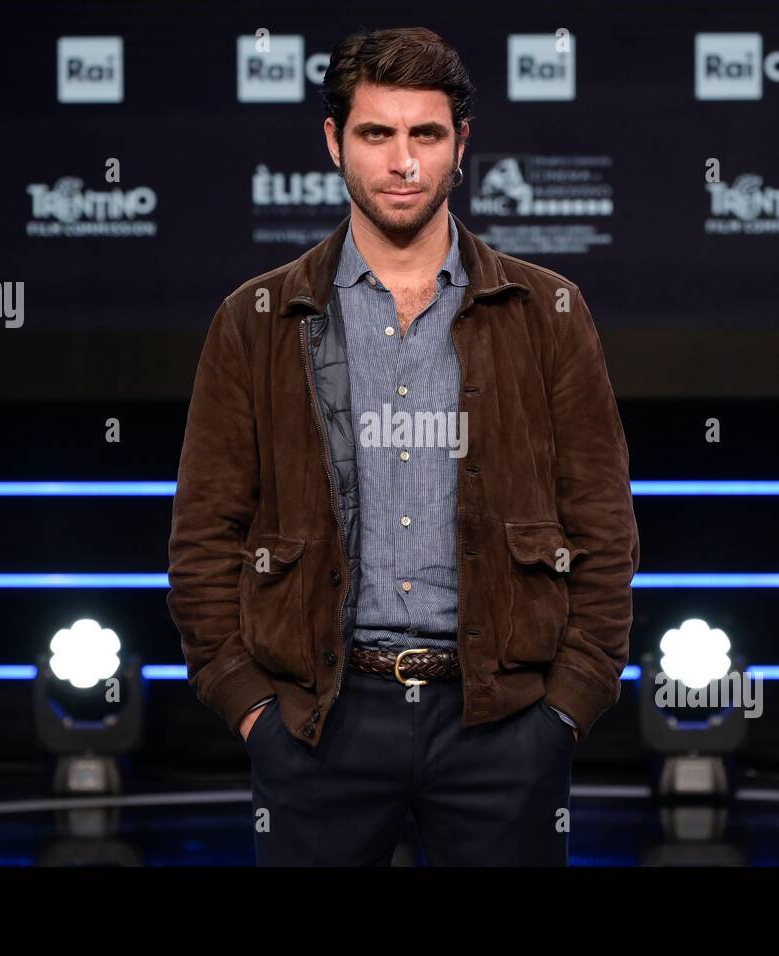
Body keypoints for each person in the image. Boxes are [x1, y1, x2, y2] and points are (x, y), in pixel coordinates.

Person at [167, 26, 639, 865]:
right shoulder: (256, 320)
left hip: (502, 729)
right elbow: (205, 538)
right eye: (376, 133)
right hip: (319, 728)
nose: (402, 161)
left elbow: (603, 526)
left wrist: (566, 709)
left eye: (426, 134)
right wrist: (253, 712)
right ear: (333, 141)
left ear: (462, 146)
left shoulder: (549, 312)